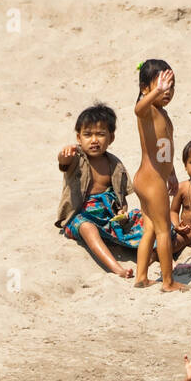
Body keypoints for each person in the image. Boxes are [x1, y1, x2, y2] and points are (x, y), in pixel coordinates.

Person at [56, 102, 141, 278]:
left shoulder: (115, 164)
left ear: (111, 138)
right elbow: (63, 163)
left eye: (100, 134)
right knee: (88, 228)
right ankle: (117, 268)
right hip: (79, 216)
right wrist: (64, 156)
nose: (94, 140)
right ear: (79, 138)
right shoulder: (76, 159)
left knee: (142, 217)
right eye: (88, 135)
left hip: (108, 216)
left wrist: (122, 210)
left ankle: (153, 253)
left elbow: (121, 194)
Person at [132, 60, 188, 292]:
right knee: (164, 230)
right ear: (146, 88)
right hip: (151, 179)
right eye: (163, 86)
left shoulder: (163, 115)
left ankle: (141, 277)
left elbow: (165, 147)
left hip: (154, 178)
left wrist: (172, 173)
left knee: (150, 230)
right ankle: (168, 281)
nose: (168, 92)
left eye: (171, 87)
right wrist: (154, 91)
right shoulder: (147, 111)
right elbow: (137, 109)